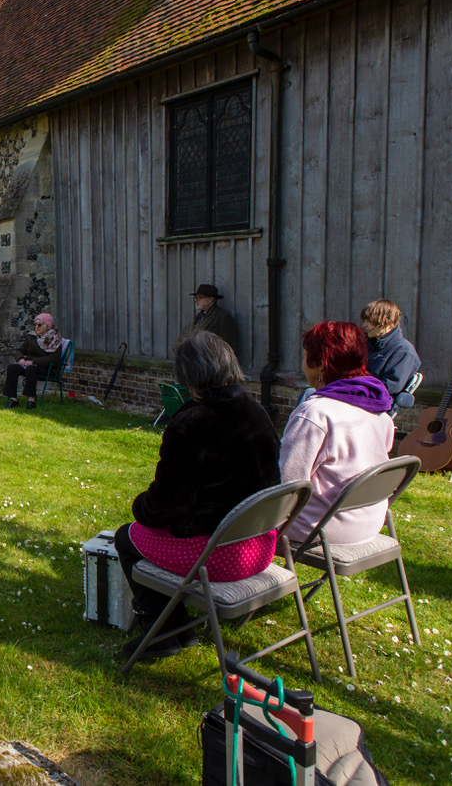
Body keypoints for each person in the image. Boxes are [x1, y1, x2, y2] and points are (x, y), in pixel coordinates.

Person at [113, 332, 281, 660]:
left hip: (221, 556)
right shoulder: (257, 411)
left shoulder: (191, 423)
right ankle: (176, 628)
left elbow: (163, 506)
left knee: (127, 537)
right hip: (262, 544)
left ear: (186, 374)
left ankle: (162, 631)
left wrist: (139, 507)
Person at [281, 321, 395, 546]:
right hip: (370, 520)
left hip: (323, 528)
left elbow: (289, 487)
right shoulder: (379, 409)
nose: (303, 366)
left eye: (304, 358)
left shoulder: (315, 413)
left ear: (321, 364)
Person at [360, 299, 421, 404]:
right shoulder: (367, 344)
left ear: (385, 321)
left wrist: (355, 390)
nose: (364, 325)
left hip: (375, 406)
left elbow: (390, 387)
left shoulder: (403, 351)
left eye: (369, 321)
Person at [0, 313, 64, 409]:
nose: (36, 327)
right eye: (35, 324)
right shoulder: (31, 337)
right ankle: (13, 399)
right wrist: (20, 359)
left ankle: (31, 400)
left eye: (39, 325)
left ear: (47, 326)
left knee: (31, 369)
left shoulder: (54, 339)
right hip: (29, 364)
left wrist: (34, 362)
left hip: (47, 368)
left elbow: (53, 358)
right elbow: (20, 350)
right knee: (12, 368)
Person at [181, 283, 237, 354]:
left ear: (210, 299)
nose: (196, 300)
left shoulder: (223, 317)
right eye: (196, 298)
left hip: (213, 358)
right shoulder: (198, 317)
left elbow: (226, 344)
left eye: (199, 298)